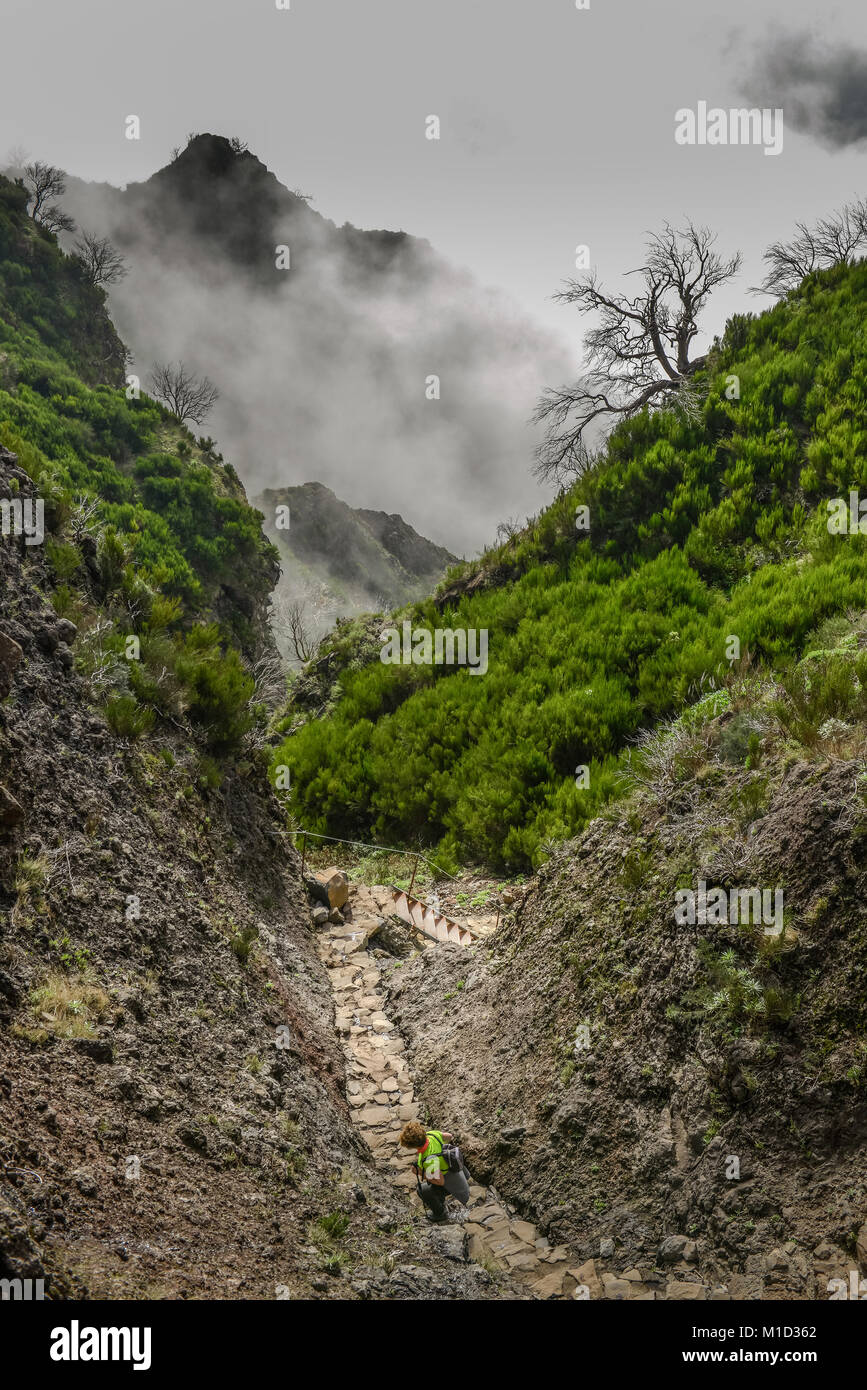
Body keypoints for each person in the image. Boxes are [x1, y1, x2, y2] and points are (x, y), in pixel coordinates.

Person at [399, 1121, 470, 1223]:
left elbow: (440, 1182)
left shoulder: (429, 1160)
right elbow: (449, 1136)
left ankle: (440, 1214)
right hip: (458, 1171)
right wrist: (441, 1155)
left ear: (412, 1146)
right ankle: (440, 1199)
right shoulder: (431, 1134)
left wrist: (420, 1172)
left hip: (453, 1183)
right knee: (432, 1179)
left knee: (422, 1191)